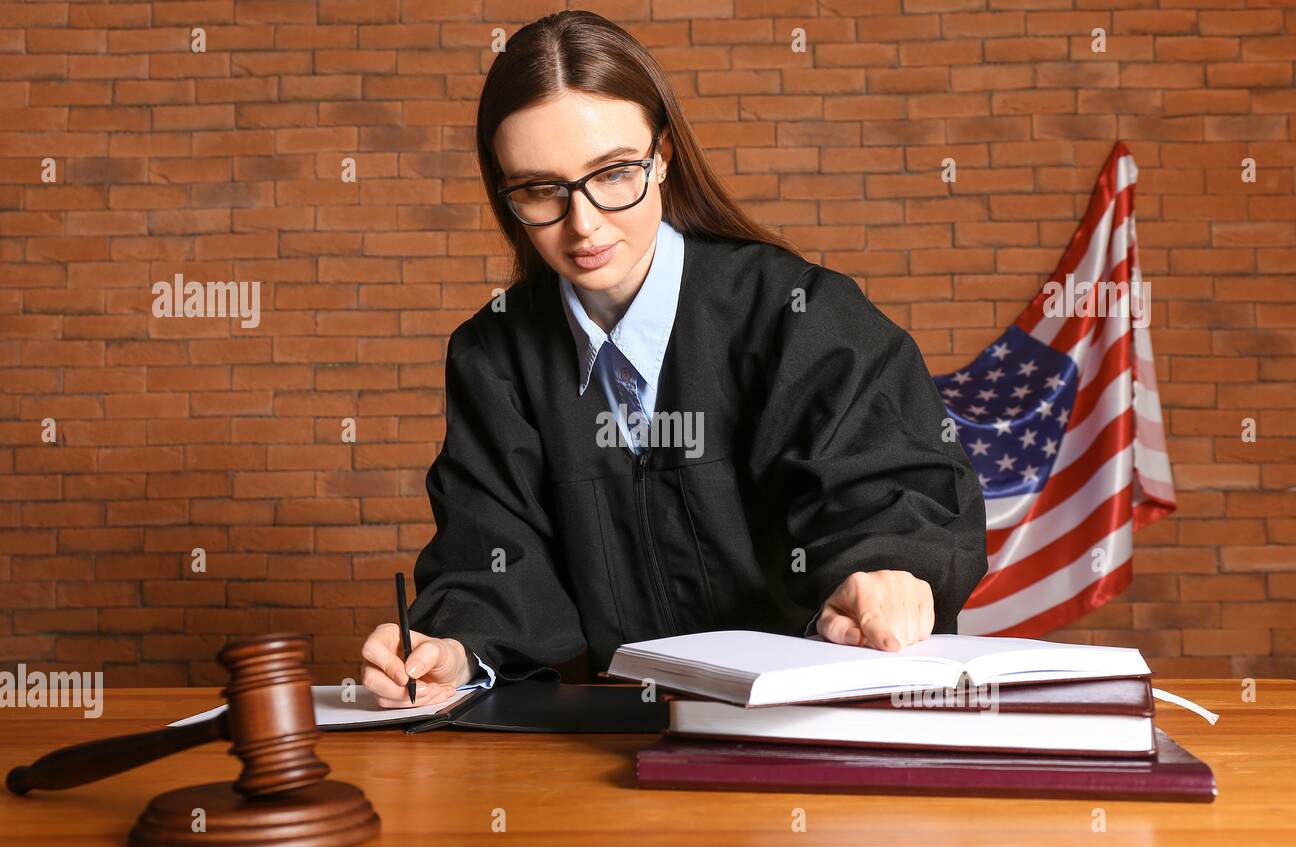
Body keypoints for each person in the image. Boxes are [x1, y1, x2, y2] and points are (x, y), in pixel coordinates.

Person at [361, 11, 988, 709]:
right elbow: (493, 554)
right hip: (617, 738)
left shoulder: (799, 315)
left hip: (809, 723)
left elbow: (886, 489)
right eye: (540, 189)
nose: (584, 224)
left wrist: (889, 568)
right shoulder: (495, 358)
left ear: (662, 154)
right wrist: (454, 651)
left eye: (613, 173)